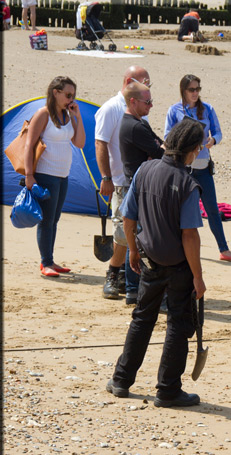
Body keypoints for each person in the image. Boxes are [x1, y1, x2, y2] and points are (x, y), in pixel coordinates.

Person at [105, 118, 206, 408]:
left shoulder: (145, 169)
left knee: (143, 317)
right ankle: (168, 389)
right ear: (194, 149)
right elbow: (190, 236)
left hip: (149, 259)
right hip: (178, 265)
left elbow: (129, 216)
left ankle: (122, 380)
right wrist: (198, 277)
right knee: (177, 323)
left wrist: (133, 250)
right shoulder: (187, 183)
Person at [165, 74, 231, 263]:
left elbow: (217, 132)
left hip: (203, 167)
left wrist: (212, 140)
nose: (195, 93)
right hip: (183, 169)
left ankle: (224, 249)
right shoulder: (174, 111)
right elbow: (168, 137)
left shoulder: (207, 109)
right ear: (183, 90)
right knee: (180, 210)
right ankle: (176, 247)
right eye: (192, 89)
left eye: (198, 89)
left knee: (212, 209)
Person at [96, 66, 152, 303]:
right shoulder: (111, 108)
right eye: (144, 81)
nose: (148, 86)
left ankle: (119, 275)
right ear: (130, 82)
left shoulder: (140, 107)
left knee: (128, 231)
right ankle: (113, 274)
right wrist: (106, 177)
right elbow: (101, 143)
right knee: (123, 233)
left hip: (134, 179)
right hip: (119, 179)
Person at [24, 76, 85, 277]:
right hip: (45, 174)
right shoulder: (43, 114)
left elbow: (80, 143)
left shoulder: (67, 115)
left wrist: (78, 117)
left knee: (55, 219)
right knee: (47, 220)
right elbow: (29, 145)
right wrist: (29, 175)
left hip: (62, 174)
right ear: (55, 92)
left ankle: (50, 260)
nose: (71, 99)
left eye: (73, 95)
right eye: (68, 95)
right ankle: (46, 263)